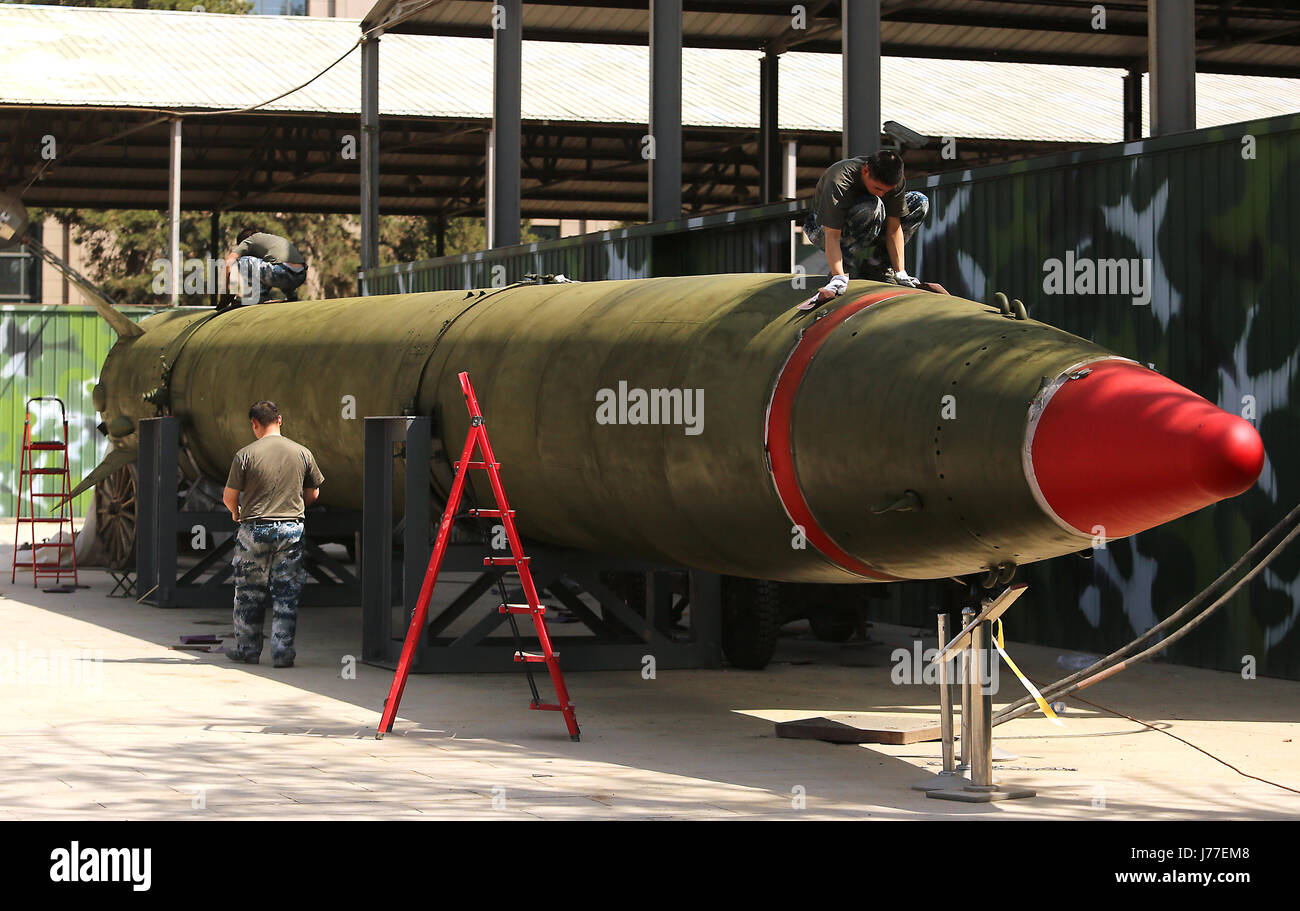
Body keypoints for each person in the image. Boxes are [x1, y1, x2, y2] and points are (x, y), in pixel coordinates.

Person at [222, 401, 324, 668]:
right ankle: (282, 653)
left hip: (254, 529)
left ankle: (247, 650)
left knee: (248, 592)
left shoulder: (245, 454)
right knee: (286, 593)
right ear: (280, 420)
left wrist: (236, 512)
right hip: (291, 528)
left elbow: (229, 497)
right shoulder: (302, 452)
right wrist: (293, 507)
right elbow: (313, 494)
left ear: (254, 424)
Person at [803, 150, 930, 301]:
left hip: (871, 222)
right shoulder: (839, 179)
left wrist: (900, 272)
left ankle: (879, 267)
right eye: (878, 188)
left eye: (886, 191)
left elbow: (894, 228)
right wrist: (838, 276)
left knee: (920, 201)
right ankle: (844, 268)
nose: (883, 194)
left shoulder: (895, 181)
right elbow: (832, 234)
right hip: (822, 228)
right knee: (874, 205)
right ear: (865, 170)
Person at [223, 228, 308, 306]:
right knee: (275, 267)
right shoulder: (271, 241)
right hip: (301, 275)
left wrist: (226, 294)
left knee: (243, 261)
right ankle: (292, 297)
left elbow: (229, 262)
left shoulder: (251, 239)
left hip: (282, 271)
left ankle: (259, 297)